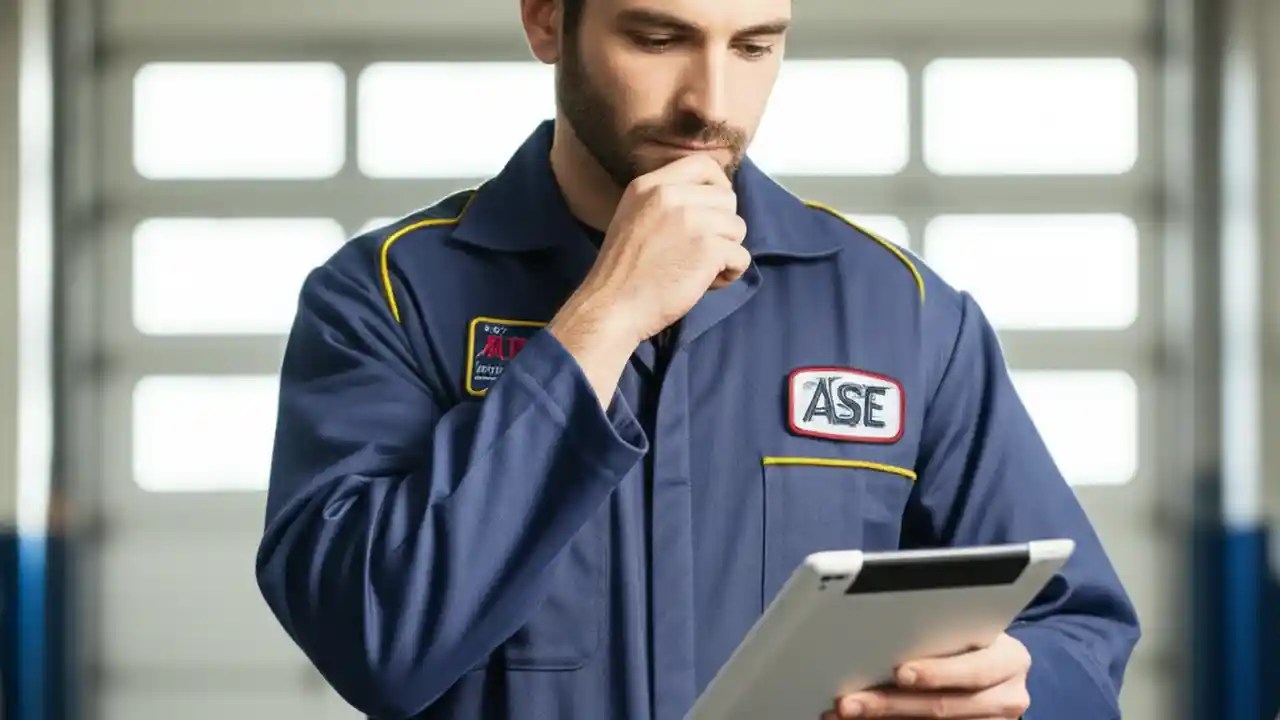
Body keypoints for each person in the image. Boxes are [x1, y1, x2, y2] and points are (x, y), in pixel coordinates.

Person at [255, 0, 1140, 718]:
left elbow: (1079, 628)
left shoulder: (903, 312)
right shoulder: (384, 296)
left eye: (754, 46)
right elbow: (376, 642)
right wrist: (603, 317)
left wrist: (1024, 681)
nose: (711, 101)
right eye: (658, 37)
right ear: (546, 21)